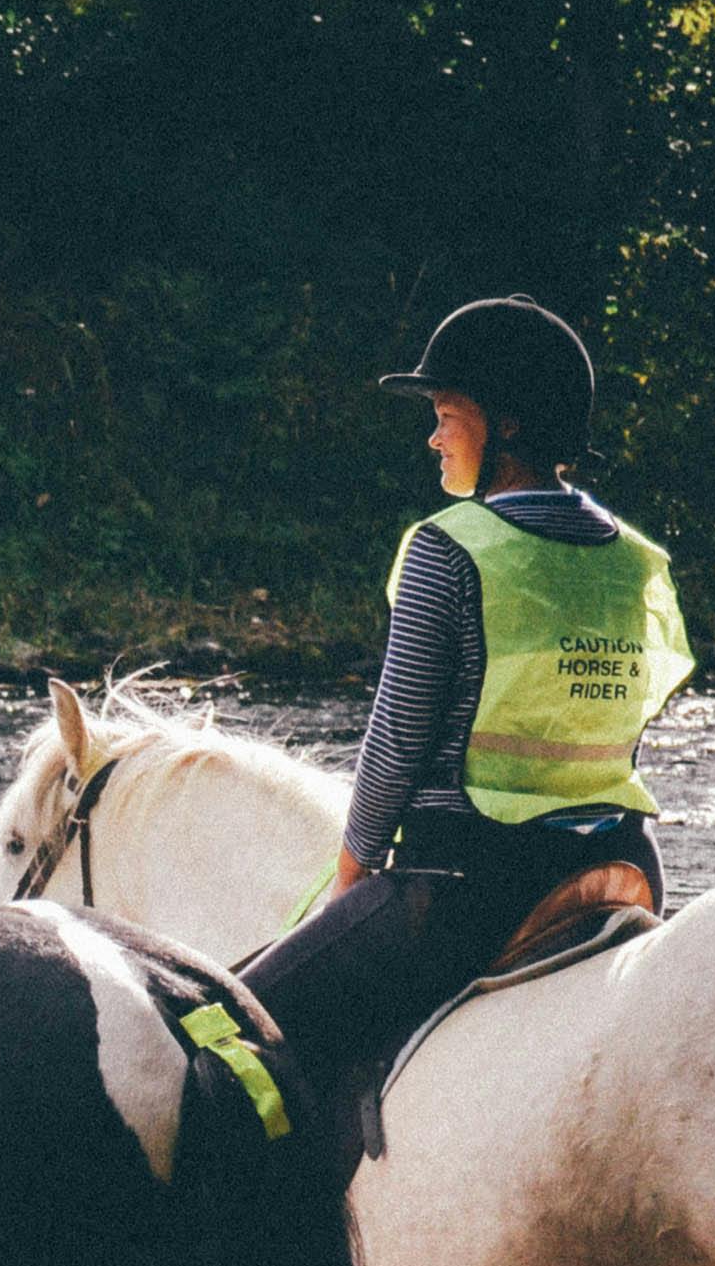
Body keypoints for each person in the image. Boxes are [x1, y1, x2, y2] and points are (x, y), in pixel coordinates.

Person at [241, 294, 691, 1150]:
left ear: (507, 424)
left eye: (448, 417)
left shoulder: (449, 547)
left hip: (465, 889)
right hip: (623, 865)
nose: (434, 438)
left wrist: (351, 878)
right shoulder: (637, 561)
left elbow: (396, 740)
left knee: (232, 1042)